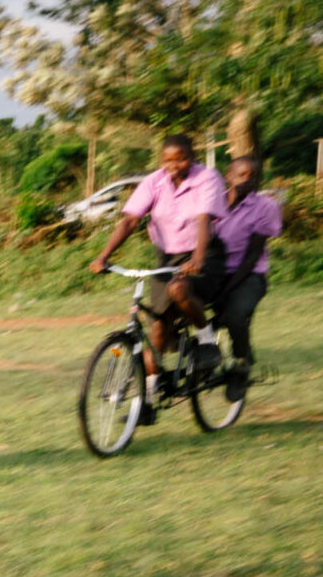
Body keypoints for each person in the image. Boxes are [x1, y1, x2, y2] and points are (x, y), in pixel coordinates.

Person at [88, 134, 227, 397]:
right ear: (161, 160)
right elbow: (130, 221)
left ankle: (207, 341)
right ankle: (149, 396)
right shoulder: (154, 182)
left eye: (182, 158)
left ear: (193, 156)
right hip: (167, 256)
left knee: (178, 290)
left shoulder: (207, 178)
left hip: (205, 252)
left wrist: (197, 258)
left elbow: (203, 219)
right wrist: (102, 256)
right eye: (168, 160)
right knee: (158, 327)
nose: (175, 165)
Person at [209, 154, 280, 376]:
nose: (247, 180)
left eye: (253, 176)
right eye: (241, 175)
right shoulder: (212, 204)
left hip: (249, 275)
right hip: (215, 270)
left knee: (235, 315)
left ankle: (242, 360)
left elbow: (252, 256)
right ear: (229, 176)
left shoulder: (266, 207)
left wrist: (227, 289)